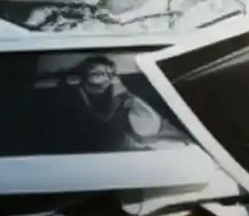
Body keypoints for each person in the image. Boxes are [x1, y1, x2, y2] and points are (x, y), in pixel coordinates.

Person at [37, 55, 184, 154]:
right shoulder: (71, 94)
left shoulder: (122, 94)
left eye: (108, 73)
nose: (104, 77)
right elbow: (94, 121)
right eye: (97, 73)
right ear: (84, 75)